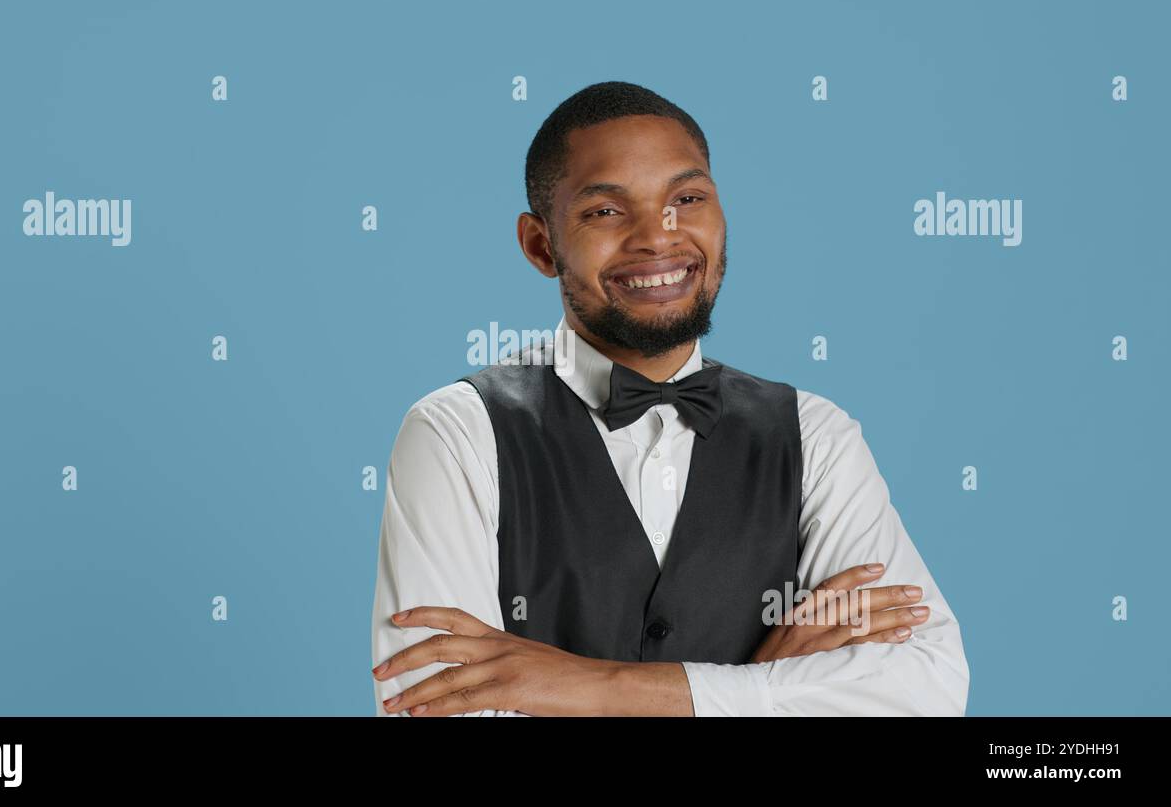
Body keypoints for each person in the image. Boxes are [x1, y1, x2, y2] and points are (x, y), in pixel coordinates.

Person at [370, 81, 970, 716]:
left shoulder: (816, 437)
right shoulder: (457, 434)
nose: (659, 238)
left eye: (687, 198)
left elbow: (923, 691)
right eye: (605, 210)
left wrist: (593, 689)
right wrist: (765, 684)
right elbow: (438, 709)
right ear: (540, 245)